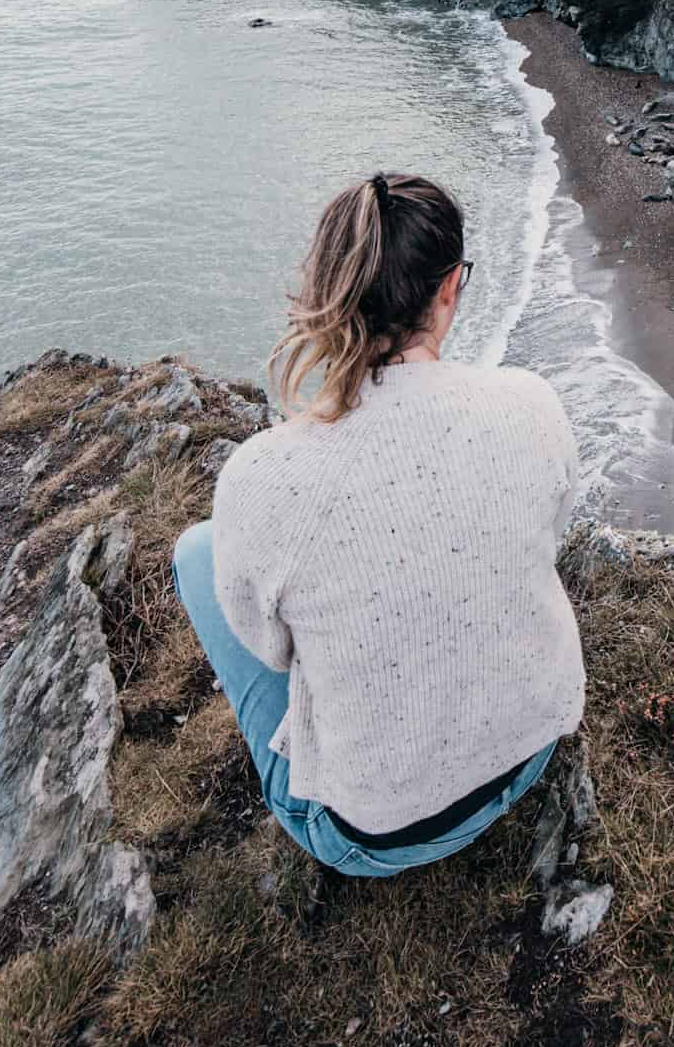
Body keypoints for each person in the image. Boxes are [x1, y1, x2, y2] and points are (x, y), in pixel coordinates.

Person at [172, 171, 585, 878]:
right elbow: (550, 537)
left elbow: (270, 650)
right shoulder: (532, 402)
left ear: (325, 291)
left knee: (196, 549)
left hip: (374, 837)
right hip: (533, 749)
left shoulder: (266, 473)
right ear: (451, 285)